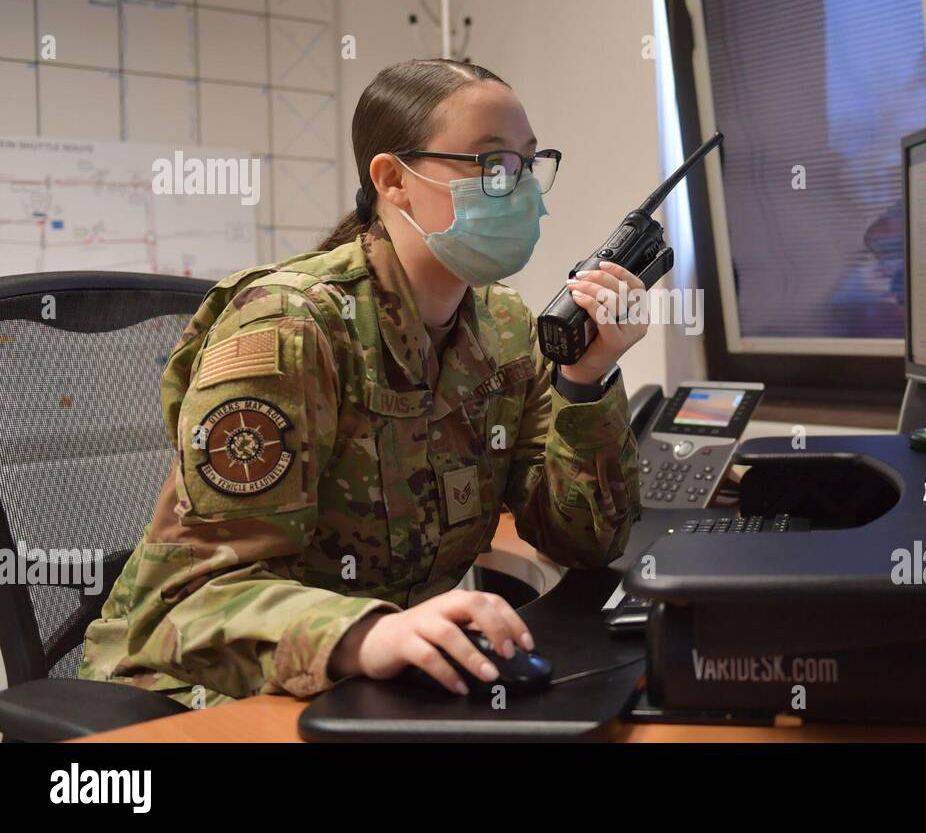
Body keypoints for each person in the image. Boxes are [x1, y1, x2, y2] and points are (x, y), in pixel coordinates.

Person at [81, 59, 645, 705]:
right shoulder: (290, 329)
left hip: (372, 687)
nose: (522, 192)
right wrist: (367, 636)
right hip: (195, 694)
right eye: (493, 166)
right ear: (393, 180)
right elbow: (191, 600)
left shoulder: (506, 330)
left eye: (528, 162)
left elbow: (584, 541)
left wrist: (586, 379)